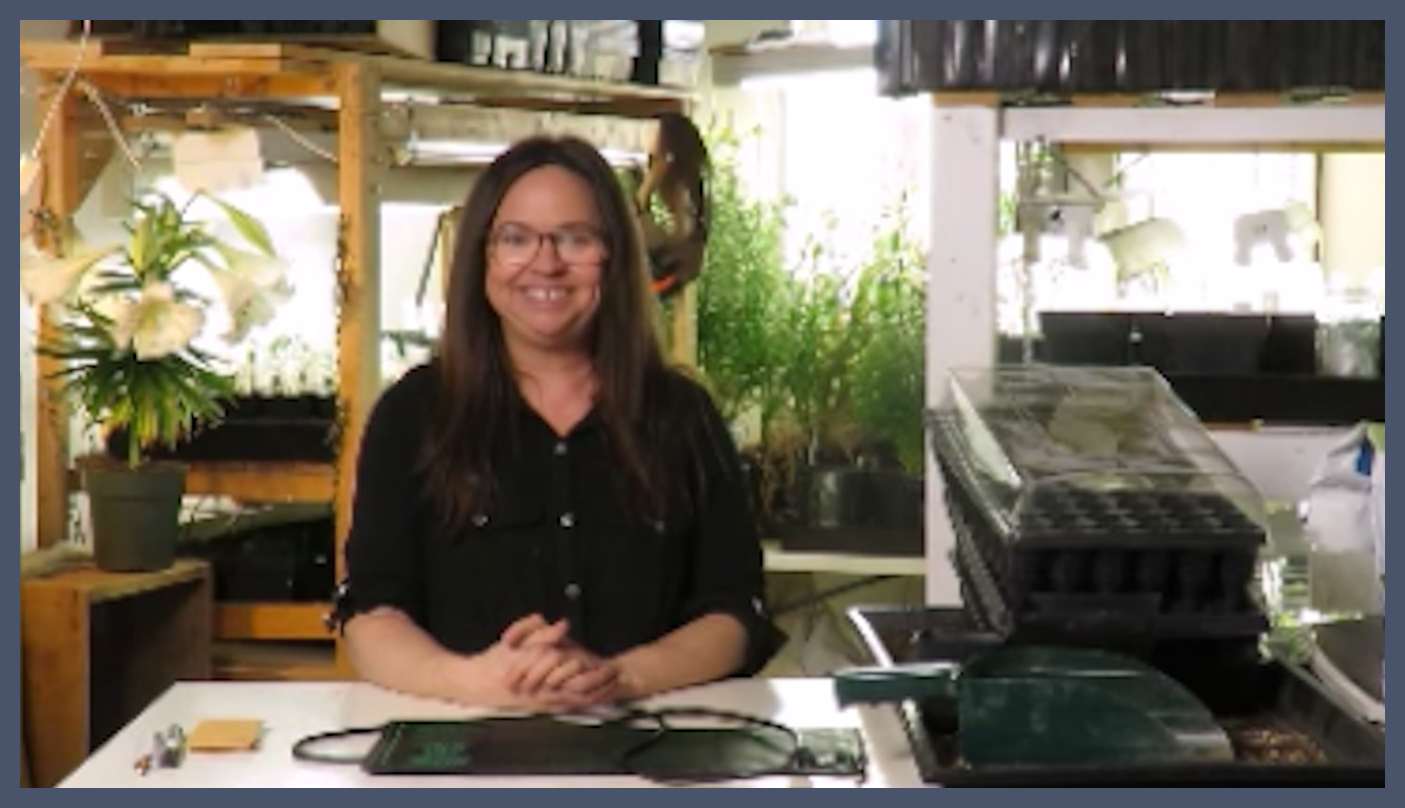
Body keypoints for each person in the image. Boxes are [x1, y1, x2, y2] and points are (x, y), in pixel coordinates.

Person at [336, 135, 782, 712]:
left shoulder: (682, 416)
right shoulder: (413, 414)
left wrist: (618, 677)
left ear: (613, 257)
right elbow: (370, 614)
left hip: (650, 743)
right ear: (482, 257)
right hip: (459, 742)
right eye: (516, 239)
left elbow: (736, 611)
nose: (546, 263)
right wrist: (476, 682)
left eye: (575, 238)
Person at [634, 112, 709, 300]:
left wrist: (643, 195)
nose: (651, 168)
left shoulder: (681, 248)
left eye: (654, 159)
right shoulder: (682, 223)